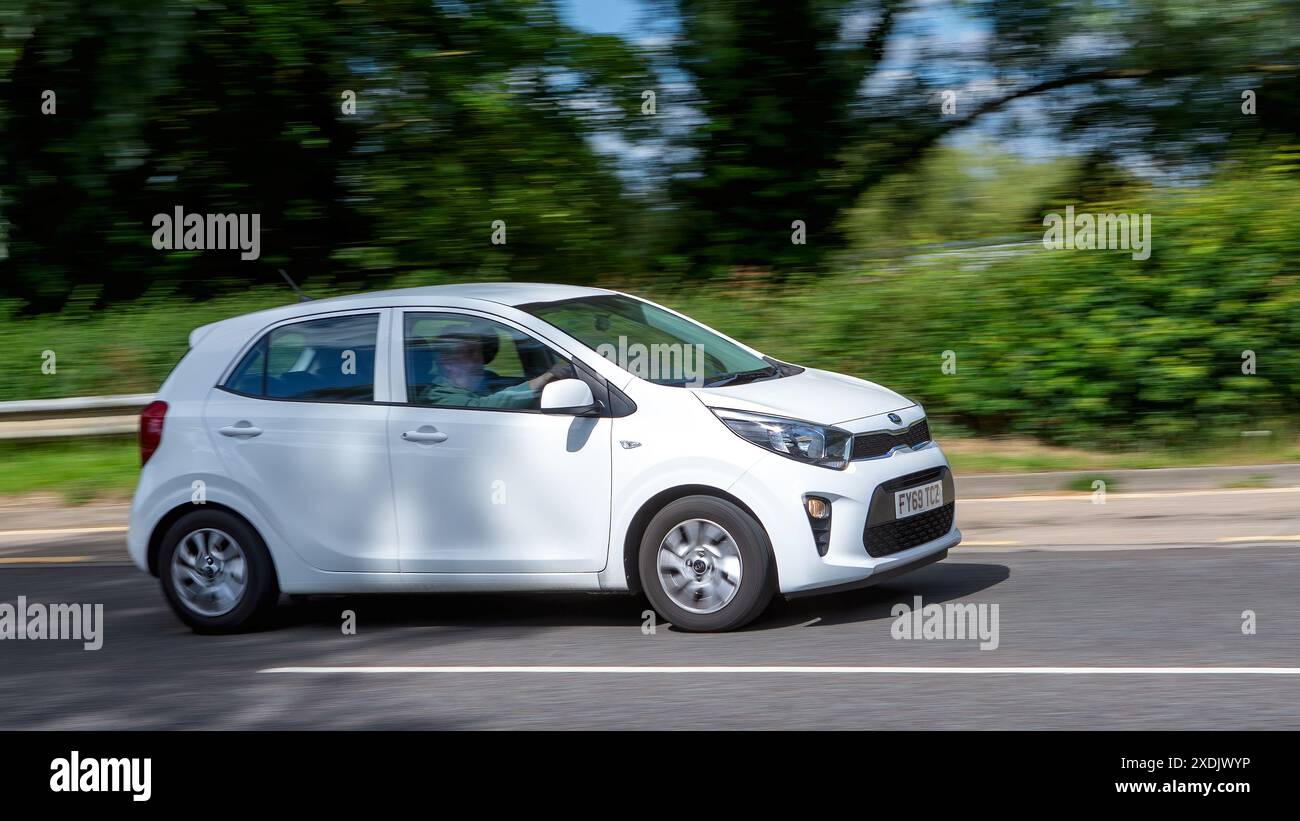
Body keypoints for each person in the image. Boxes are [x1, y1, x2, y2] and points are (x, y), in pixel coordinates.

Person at [420, 323, 573, 409]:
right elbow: (479, 408)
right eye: (469, 352)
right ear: (447, 362)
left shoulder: (488, 379)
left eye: (480, 351)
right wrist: (545, 378)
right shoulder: (437, 395)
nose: (479, 358)